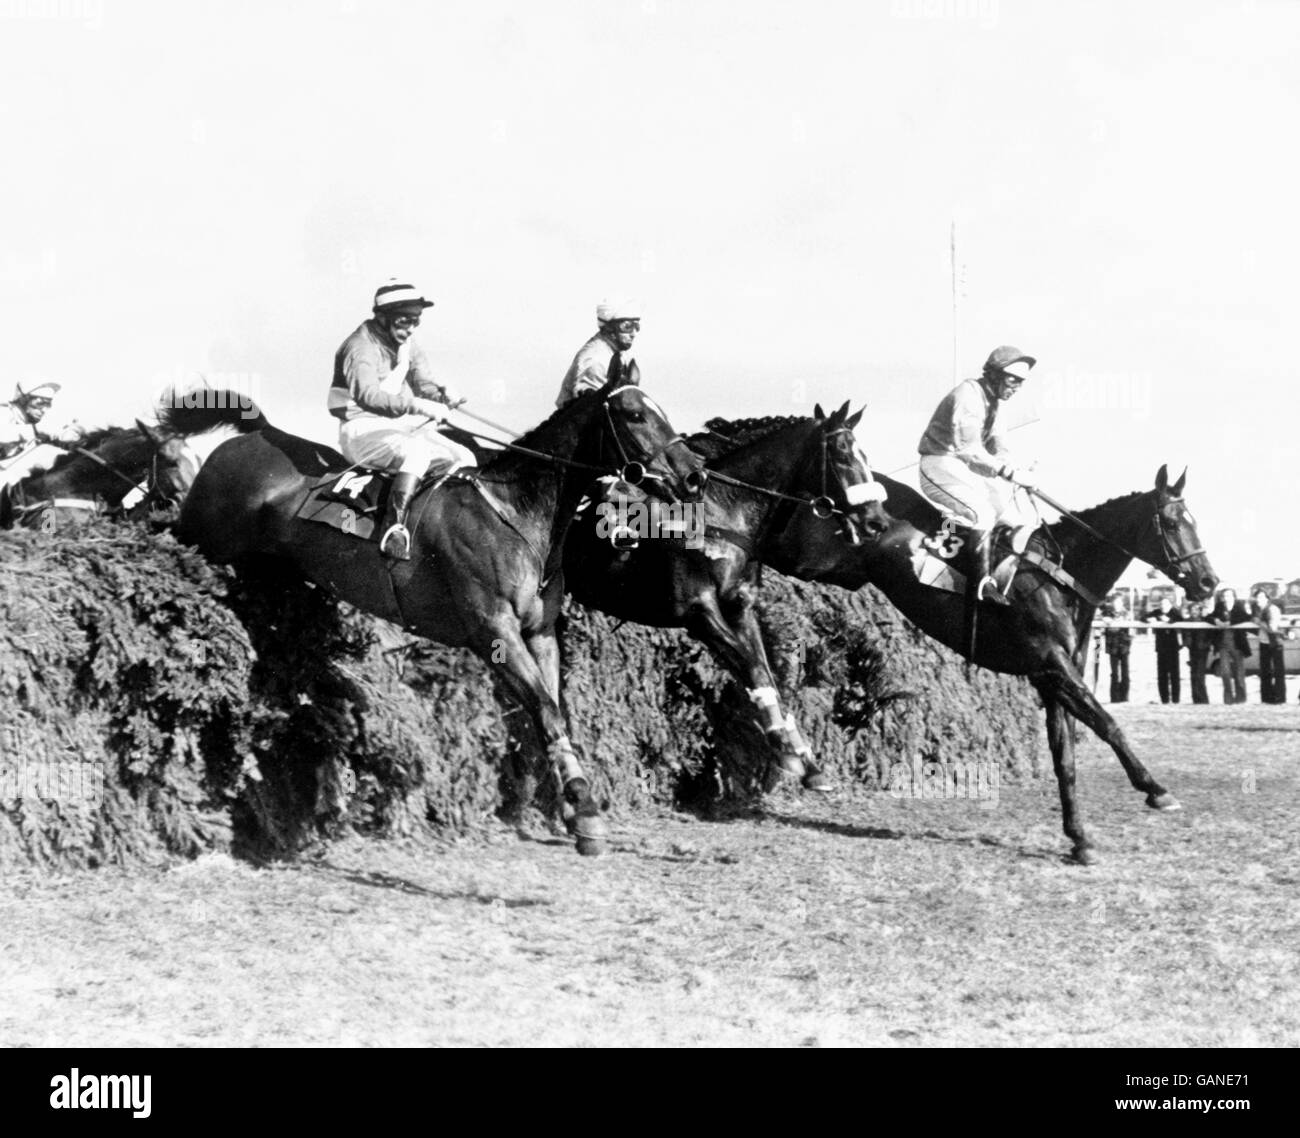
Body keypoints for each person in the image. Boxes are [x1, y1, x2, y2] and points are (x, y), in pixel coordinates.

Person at [328, 280, 475, 561]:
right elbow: (368, 396)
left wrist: (443, 395)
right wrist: (418, 405)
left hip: (395, 426)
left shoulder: (407, 343)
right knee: (418, 454)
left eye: (415, 322)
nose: (410, 329)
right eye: (404, 321)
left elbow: (423, 385)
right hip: (360, 429)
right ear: (382, 317)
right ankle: (394, 529)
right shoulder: (360, 347)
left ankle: (437, 529)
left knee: (464, 457)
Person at [918, 345, 1040, 600]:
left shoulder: (995, 403)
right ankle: (979, 584)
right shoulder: (968, 396)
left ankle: (1005, 578)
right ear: (994, 375)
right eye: (1012, 380)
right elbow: (969, 450)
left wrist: (1014, 469)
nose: (1016, 387)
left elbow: (999, 446)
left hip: (961, 467)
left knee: (1014, 517)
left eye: (1020, 382)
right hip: (939, 463)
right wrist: (1009, 472)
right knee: (981, 513)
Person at [0, 380, 85, 492]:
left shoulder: (29, 422)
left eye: (47, 404)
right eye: (39, 404)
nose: (44, 410)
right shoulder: (4, 413)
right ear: (23, 400)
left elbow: (62, 431)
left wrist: (72, 432)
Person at [555, 300, 641, 408]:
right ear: (609, 328)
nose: (633, 334)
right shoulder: (595, 361)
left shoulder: (619, 353)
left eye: (637, 327)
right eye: (627, 327)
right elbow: (593, 411)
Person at [1209, 587, 1251, 704]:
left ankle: (1241, 699)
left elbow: (1246, 617)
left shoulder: (1239, 605)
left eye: (1229, 595)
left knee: (1239, 673)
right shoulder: (1220, 606)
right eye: (1225, 596)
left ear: (1234, 596)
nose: (1227, 598)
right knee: (1225, 673)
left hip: (1237, 644)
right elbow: (1209, 617)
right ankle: (1228, 700)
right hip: (1223, 645)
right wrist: (1216, 621)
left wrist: (1230, 622)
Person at [1145, 594, 1184, 704]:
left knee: (1174, 675)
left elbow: (1180, 620)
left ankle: (1176, 700)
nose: (1163, 606)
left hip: (1173, 647)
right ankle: (1164, 700)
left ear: (1170, 604)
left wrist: (1168, 620)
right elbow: (1143, 617)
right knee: (1162, 675)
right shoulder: (1157, 612)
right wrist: (1149, 619)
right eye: (1161, 604)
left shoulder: (1175, 612)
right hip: (1161, 647)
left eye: (1165, 603)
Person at [1252, 588, 1287, 704]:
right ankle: (1266, 698)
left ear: (1267, 598)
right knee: (1265, 671)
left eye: (1261, 597)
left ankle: (1279, 698)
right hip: (1263, 643)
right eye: (1257, 597)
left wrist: (1259, 623)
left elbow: (1272, 628)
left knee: (1278, 672)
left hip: (1275, 643)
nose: (1258, 600)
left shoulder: (1273, 609)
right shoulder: (1257, 610)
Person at [1103, 597, 1132, 703]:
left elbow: (1125, 625)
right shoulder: (1107, 613)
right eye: (1115, 602)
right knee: (1114, 673)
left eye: (1119, 602)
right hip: (1112, 647)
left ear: (1122, 603)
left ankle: (1124, 697)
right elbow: (1107, 625)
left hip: (1124, 646)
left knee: (1125, 673)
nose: (1117, 604)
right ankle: (1114, 698)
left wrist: (1114, 623)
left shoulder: (1127, 613)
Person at [1183, 599, 1213, 704]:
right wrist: (1187, 644)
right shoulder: (1187, 622)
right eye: (1192, 609)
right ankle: (1196, 699)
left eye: (1196, 609)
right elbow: (1185, 635)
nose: (1194, 611)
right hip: (1192, 650)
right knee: (1193, 674)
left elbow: (1211, 633)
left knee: (1200, 674)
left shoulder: (1205, 620)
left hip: (1203, 650)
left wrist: (1207, 644)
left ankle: (1203, 700)